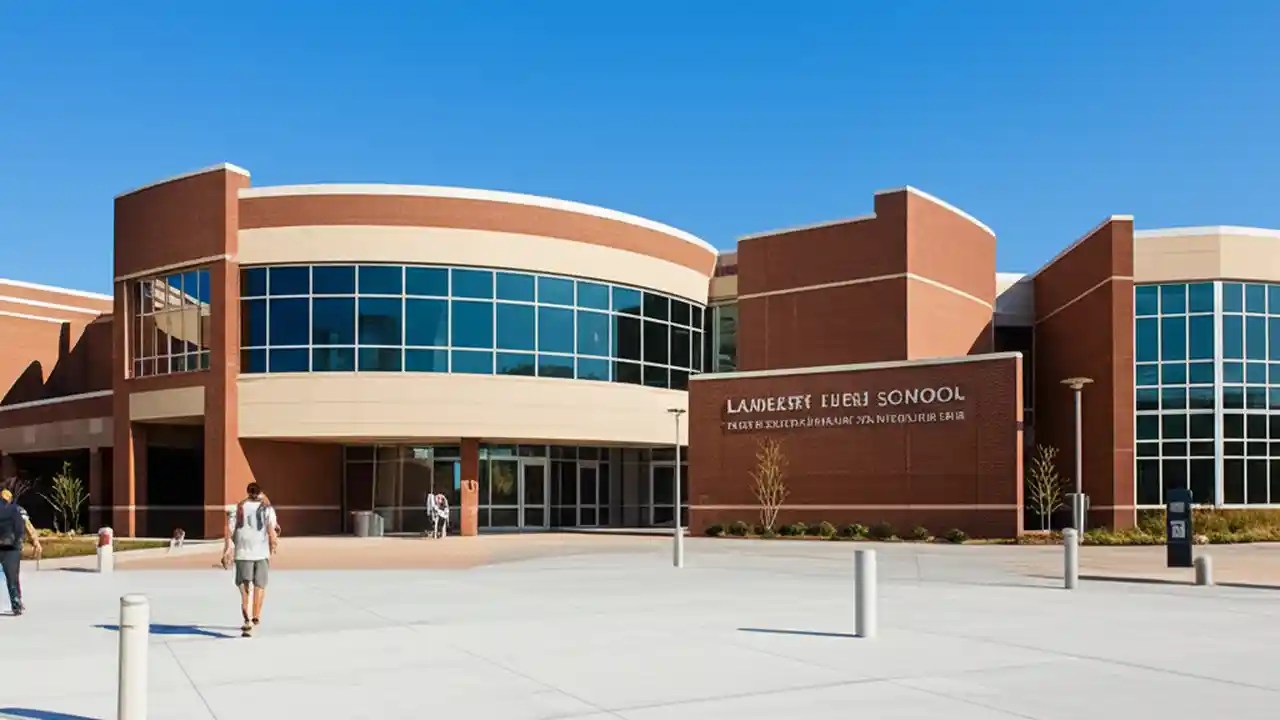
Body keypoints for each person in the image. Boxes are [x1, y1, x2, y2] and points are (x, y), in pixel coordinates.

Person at [221, 483, 279, 637]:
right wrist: (274, 542)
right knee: (260, 585)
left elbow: (229, 532)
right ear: (260, 493)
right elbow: (272, 529)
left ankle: (247, 620)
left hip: (242, 553)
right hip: (261, 553)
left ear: (247, 492)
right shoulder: (267, 509)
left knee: (245, 588)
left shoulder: (238, 508)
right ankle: (256, 616)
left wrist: (227, 550)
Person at [0, 488, 42, 616]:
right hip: (12, 548)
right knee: (12, 577)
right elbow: (28, 527)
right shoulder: (18, 510)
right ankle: (16, 602)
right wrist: (35, 542)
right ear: (11, 498)